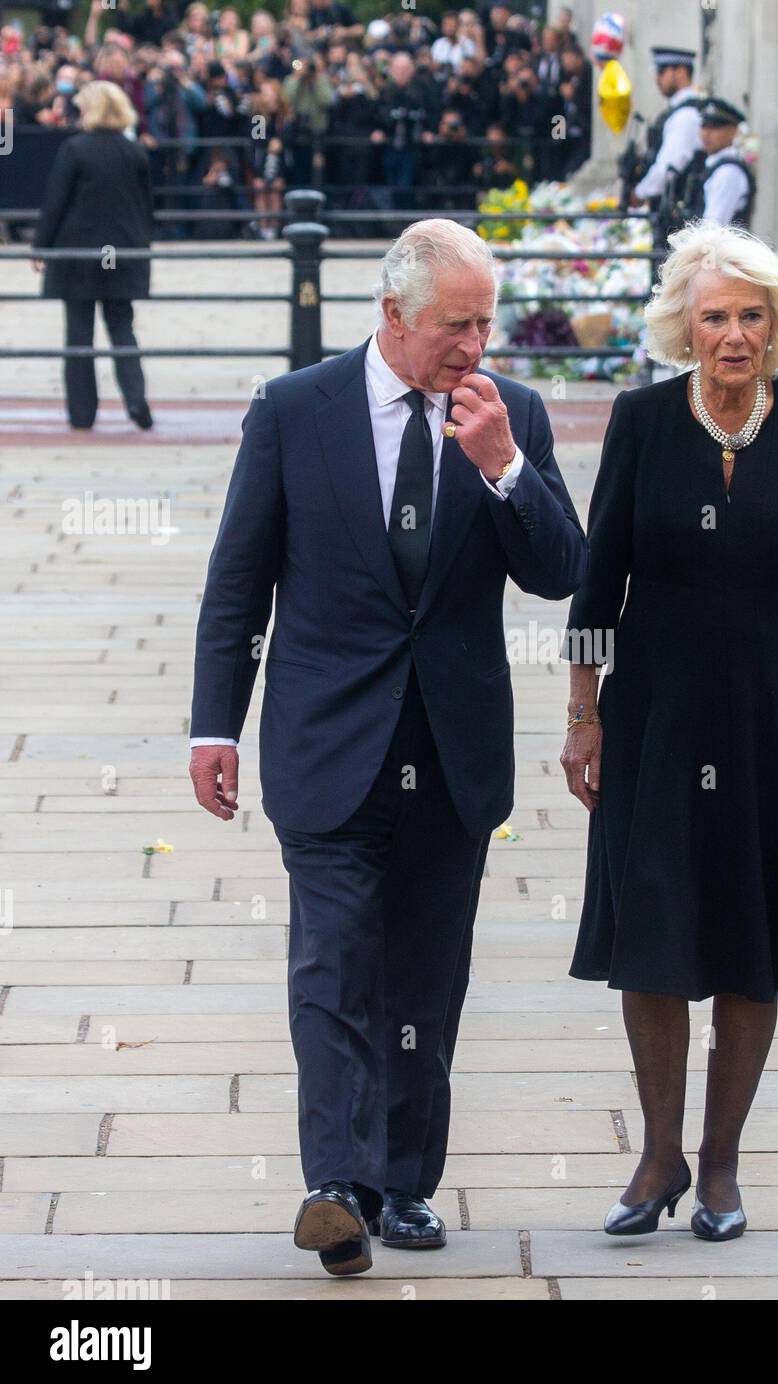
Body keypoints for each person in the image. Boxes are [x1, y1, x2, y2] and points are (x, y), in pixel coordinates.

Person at [189, 218, 587, 1276]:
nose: (473, 345)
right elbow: (239, 581)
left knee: (424, 974)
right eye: (455, 325)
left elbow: (562, 572)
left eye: (484, 323)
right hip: (326, 740)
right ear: (393, 316)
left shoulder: (511, 415)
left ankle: (404, 1181)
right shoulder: (293, 411)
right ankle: (334, 1184)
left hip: (450, 748)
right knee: (331, 960)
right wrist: (212, 723)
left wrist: (503, 464)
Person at [560, 220, 778, 1242]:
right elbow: (596, 576)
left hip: (777, 713)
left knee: (752, 935)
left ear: (775, 325)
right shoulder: (641, 420)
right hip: (656, 712)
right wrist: (582, 712)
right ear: (684, 325)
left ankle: (717, 1165)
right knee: (652, 934)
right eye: (715, 315)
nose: (734, 334)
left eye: (751, 315)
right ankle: (656, 1152)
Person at [32, 80, 154, 430]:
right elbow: (146, 207)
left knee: (79, 336)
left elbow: (56, 201)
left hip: (79, 253)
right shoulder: (134, 152)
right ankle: (136, 401)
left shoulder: (75, 149)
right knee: (122, 329)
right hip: (123, 252)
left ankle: (82, 414)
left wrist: (41, 244)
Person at [632, 45, 702, 209]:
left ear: (681, 72)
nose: (657, 78)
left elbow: (670, 165)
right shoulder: (677, 111)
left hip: (677, 207)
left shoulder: (685, 115)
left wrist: (640, 193)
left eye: (662, 71)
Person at [692, 96, 755, 229]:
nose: (707, 133)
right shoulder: (714, 166)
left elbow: (712, 227)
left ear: (733, 131)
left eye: (715, 127)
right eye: (704, 126)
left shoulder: (728, 172)